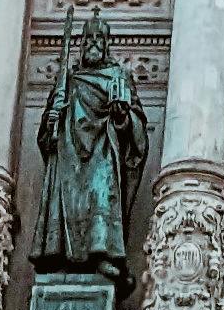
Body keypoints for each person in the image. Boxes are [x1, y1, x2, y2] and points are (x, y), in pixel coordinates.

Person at [35, 17, 150, 274]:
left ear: (107, 45)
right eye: (89, 39)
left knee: (101, 194)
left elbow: (137, 125)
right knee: (68, 201)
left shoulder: (118, 76)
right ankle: (60, 256)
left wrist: (122, 118)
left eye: (99, 39)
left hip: (103, 150)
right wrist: (51, 121)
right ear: (82, 44)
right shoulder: (68, 79)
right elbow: (46, 133)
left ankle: (102, 253)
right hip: (68, 153)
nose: (94, 44)